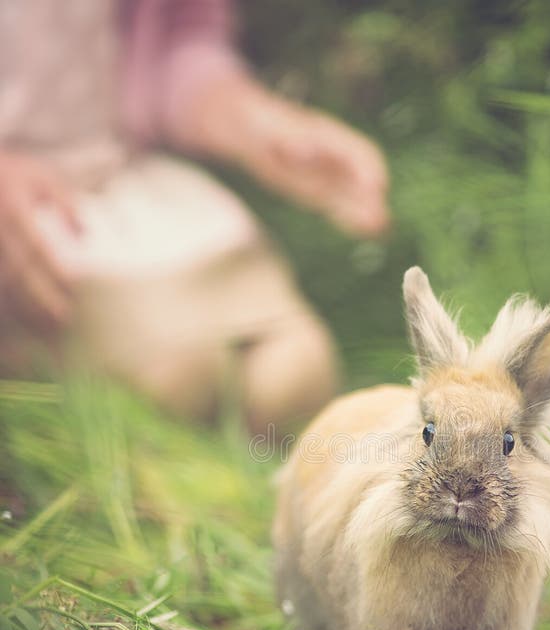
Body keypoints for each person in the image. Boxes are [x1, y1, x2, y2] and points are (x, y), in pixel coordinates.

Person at [0, 0, 390, 430]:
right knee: (181, 379)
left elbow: (177, 42)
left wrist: (255, 125)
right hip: (26, 216)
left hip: (118, 182)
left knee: (295, 373)